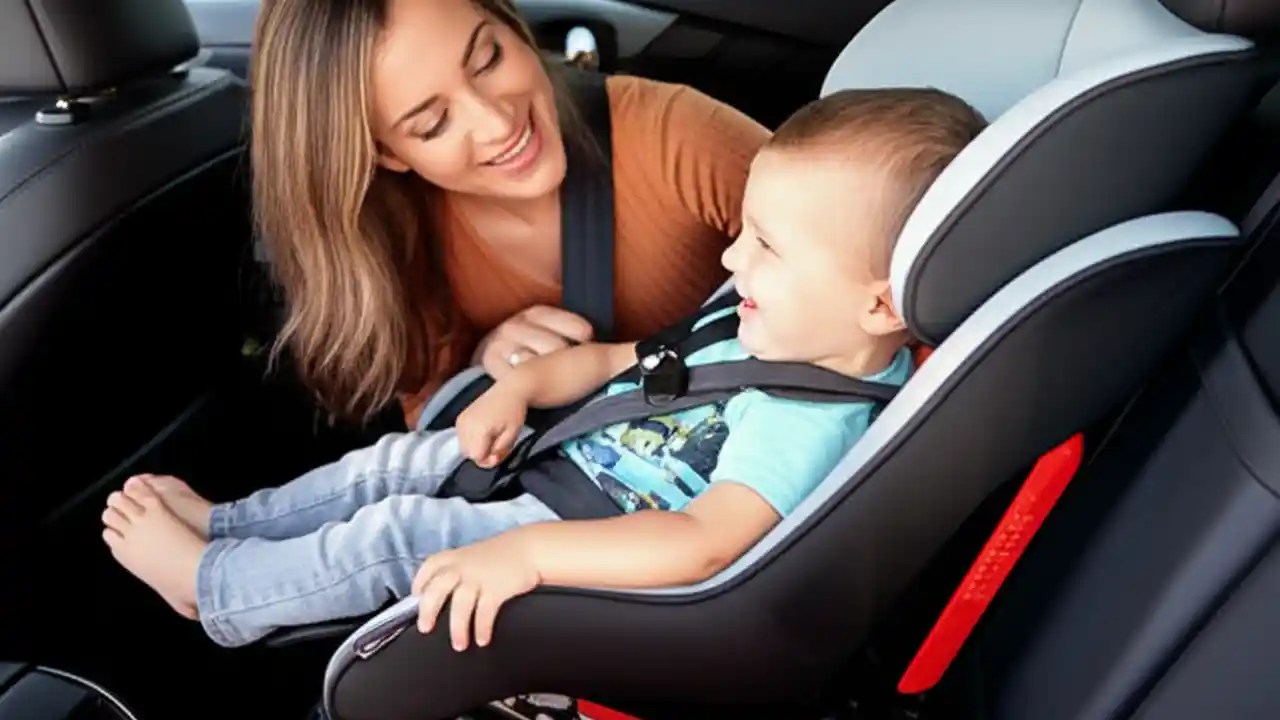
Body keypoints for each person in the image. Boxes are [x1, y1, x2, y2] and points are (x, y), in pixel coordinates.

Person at [101, 86, 988, 651]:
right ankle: (228, 526)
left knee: (397, 535)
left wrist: (526, 552)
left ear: (879, 304)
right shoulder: (761, 326)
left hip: (587, 533)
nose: (731, 260)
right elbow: (614, 362)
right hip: (564, 454)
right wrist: (522, 385)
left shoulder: (811, 412)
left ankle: (214, 591)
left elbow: (704, 541)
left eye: (766, 246)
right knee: (398, 464)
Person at [245, 0, 771, 430]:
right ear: (386, 154)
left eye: (488, 59)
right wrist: (483, 367)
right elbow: (437, 427)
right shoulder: (402, 245)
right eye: (433, 124)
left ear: (507, 21)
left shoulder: (672, 135)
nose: (496, 123)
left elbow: (847, 251)